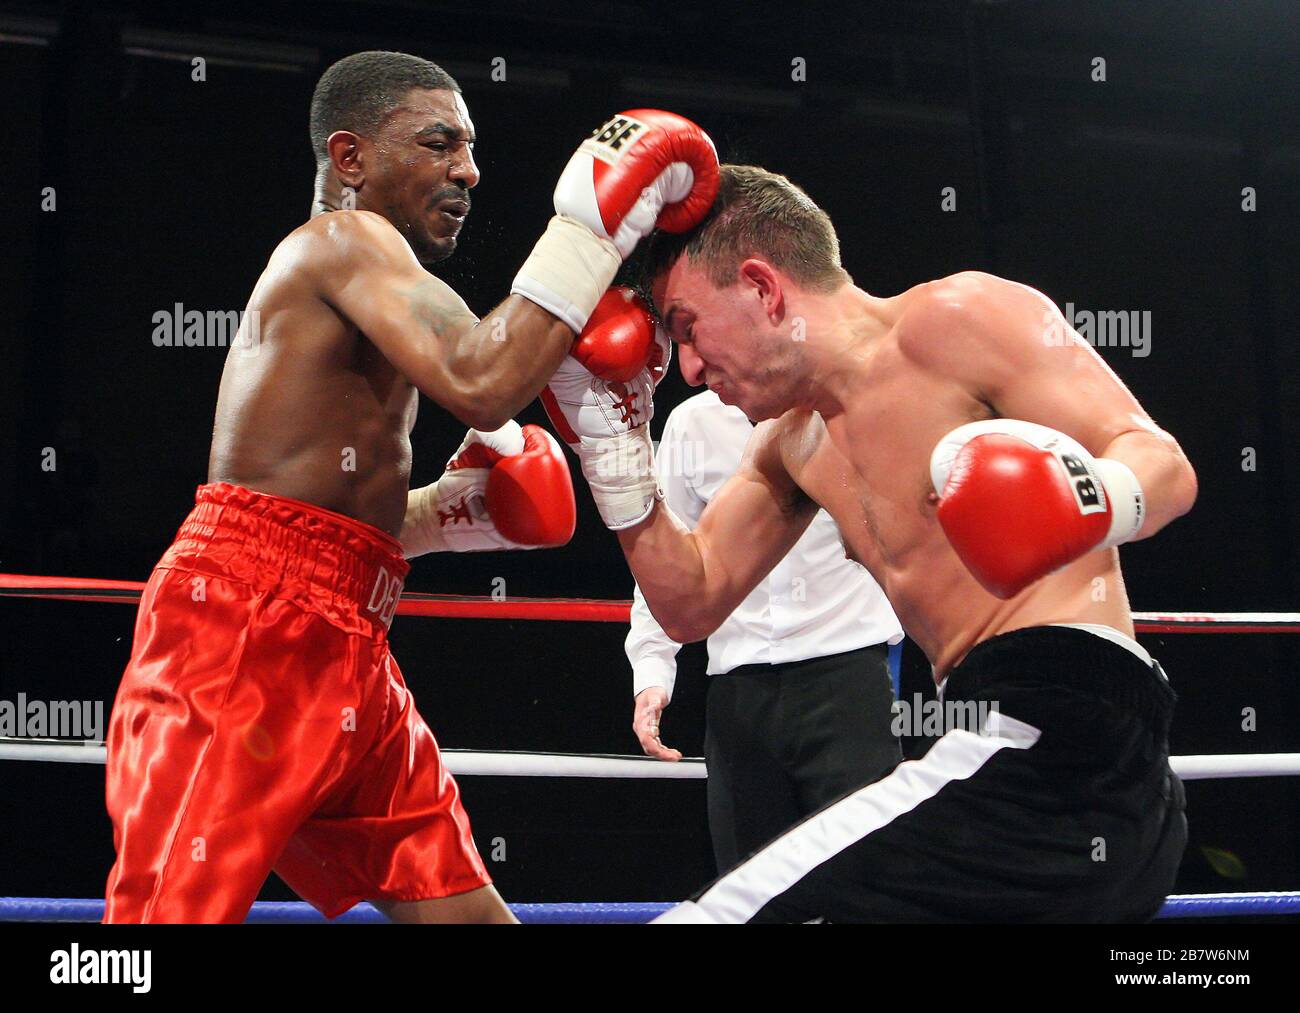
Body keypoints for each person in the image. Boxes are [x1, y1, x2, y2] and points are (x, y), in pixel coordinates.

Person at [102, 50, 718, 923]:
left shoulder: (383, 281)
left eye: (470, 148)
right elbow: (483, 378)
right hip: (245, 628)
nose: (468, 169)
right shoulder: (344, 241)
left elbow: (336, 493)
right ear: (349, 159)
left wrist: (444, 514)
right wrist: (591, 224)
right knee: (154, 934)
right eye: (438, 144)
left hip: (348, 634)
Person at [542, 163, 1197, 922]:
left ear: (763, 287)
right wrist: (616, 452)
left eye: (688, 327)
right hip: (1005, 758)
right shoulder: (789, 445)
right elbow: (689, 600)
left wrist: (1079, 498)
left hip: (1069, 733)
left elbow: (1164, 466)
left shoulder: (956, 319)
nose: (687, 367)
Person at [627, 381, 903, 874]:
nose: (693, 364)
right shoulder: (693, 423)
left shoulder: (844, 405)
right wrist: (652, 670)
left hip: (847, 677)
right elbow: (666, 565)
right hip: (739, 689)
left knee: (865, 881)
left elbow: (908, 538)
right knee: (749, 887)